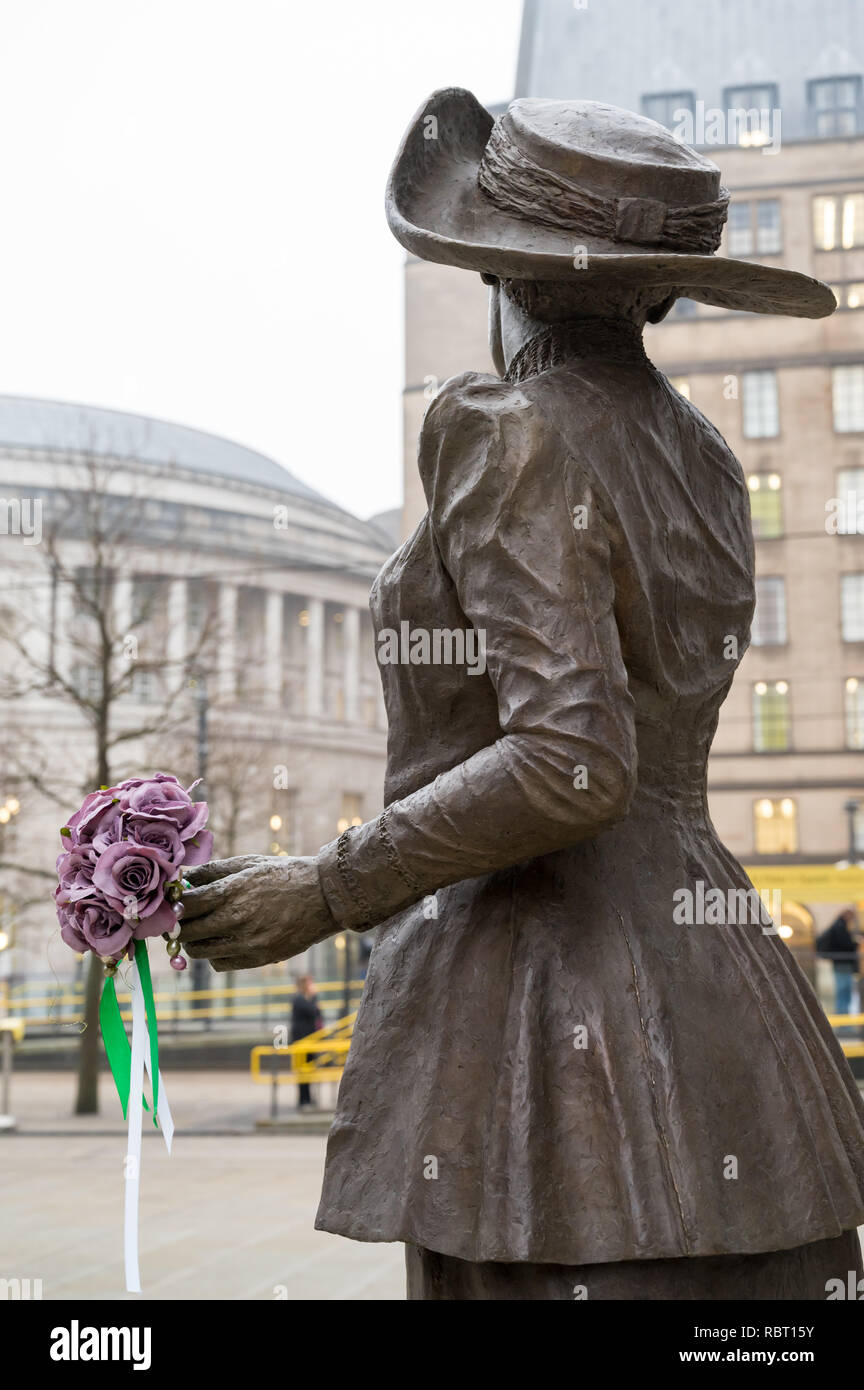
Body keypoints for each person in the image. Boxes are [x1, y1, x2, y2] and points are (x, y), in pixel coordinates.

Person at [180, 90, 864, 1299]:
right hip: (727, 1000)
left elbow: (572, 761)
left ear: (504, 274)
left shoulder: (502, 427)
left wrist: (328, 885)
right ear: (657, 290)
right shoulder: (702, 454)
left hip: (541, 997)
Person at [817, 909, 860, 1032]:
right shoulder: (840, 928)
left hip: (840, 965)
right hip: (843, 965)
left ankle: (844, 1026)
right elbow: (846, 944)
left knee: (843, 996)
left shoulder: (837, 926)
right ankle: (844, 1027)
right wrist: (856, 943)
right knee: (844, 996)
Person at [290, 974, 322, 1110]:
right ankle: (303, 1100)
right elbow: (313, 1011)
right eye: (310, 984)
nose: (312, 986)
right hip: (301, 1040)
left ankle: (307, 1098)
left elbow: (318, 1013)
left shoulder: (305, 999)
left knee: (308, 1070)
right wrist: (314, 997)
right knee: (303, 1071)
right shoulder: (298, 999)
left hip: (310, 1040)